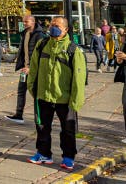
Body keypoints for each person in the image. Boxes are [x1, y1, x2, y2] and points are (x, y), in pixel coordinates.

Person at [27, 16, 86, 171]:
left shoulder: (73, 50)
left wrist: (76, 100)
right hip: (43, 95)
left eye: (57, 25)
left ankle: (68, 157)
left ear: (66, 29)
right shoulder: (42, 44)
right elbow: (33, 67)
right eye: (52, 24)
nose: (53, 27)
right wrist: (32, 87)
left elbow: (79, 78)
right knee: (42, 127)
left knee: (68, 129)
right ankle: (43, 153)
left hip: (64, 98)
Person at [6, 15, 46, 124]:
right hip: (25, 69)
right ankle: (18, 115)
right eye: (23, 22)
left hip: (34, 70)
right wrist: (20, 63)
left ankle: (40, 119)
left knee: (36, 94)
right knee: (21, 91)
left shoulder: (40, 35)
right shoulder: (25, 33)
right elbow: (23, 51)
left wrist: (31, 68)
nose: (24, 24)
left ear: (33, 22)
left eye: (26, 22)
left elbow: (40, 55)